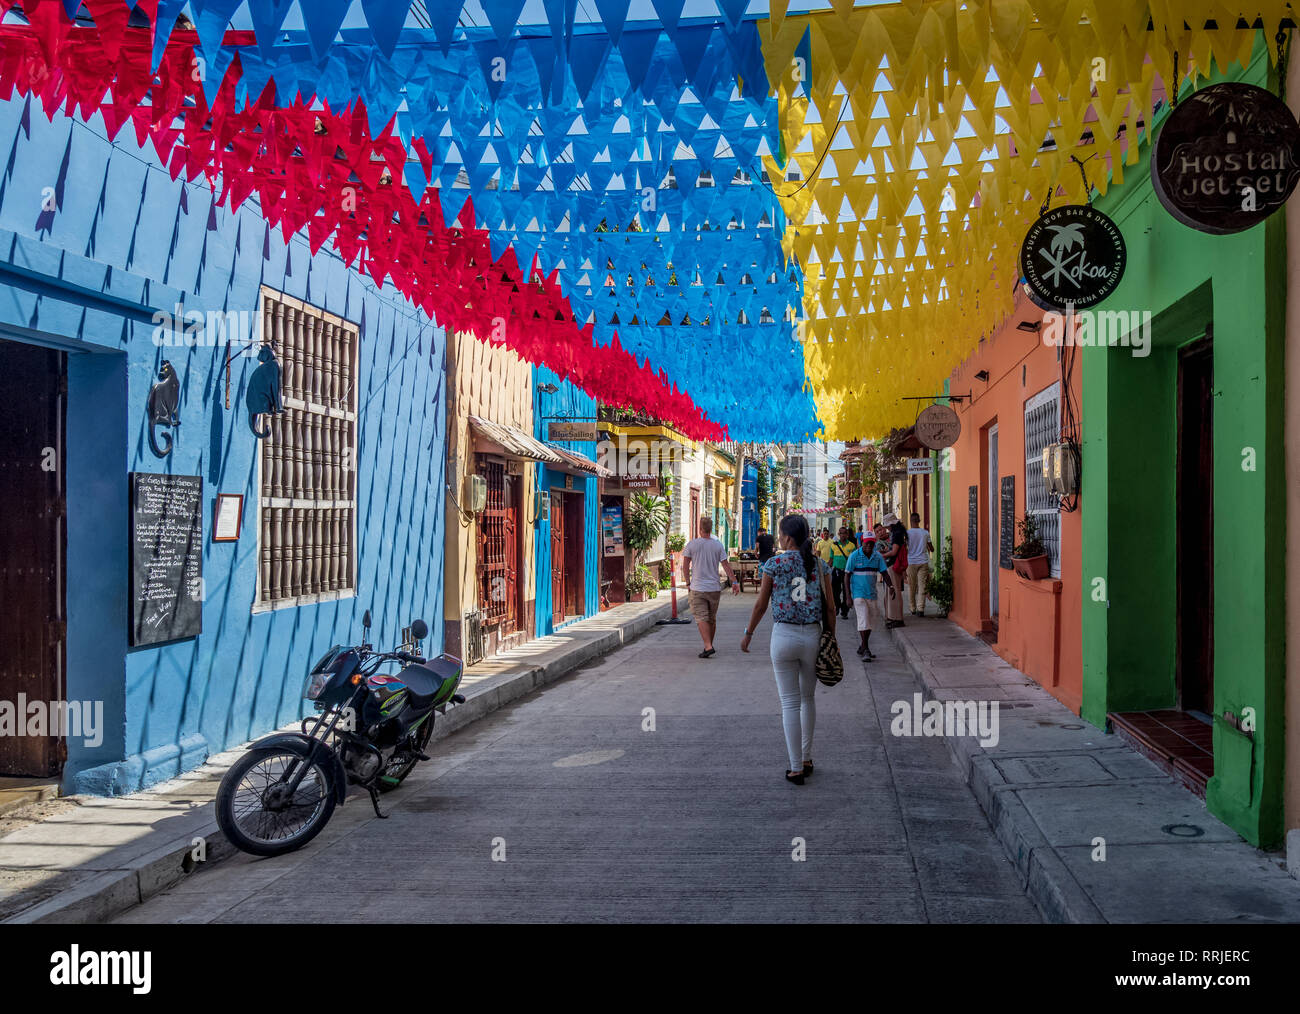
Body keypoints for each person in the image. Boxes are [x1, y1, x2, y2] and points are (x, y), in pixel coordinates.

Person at [740, 514, 835, 785]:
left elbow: (761, 605)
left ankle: (795, 768)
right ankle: (806, 757)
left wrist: (748, 634)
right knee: (808, 699)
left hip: (783, 636)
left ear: (788, 537)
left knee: (790, 703)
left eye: (781, 534)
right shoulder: (819, 564)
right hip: (813, 636)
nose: (779, 538)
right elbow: (830, 608)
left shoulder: (774, 563)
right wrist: (832, 639)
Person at [682, 517, 740, 658]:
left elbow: (685, 565)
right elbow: (726, 565)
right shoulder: (718, 545)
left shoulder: (692, 545)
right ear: (711, 528)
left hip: (697, 588)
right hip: (714, 588)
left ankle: (708, 646)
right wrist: (734, 582)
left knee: (701, 617)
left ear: (700, 528)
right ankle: (709, 646)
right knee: (711, 618)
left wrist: (688, 582)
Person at [846, 533, 890, 659]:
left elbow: (884, 573)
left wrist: (891, 587)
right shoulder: (854, 556)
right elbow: (847, 575)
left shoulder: (877, 557)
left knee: (870, 621)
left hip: (872, 593)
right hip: (858, 593)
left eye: (872, 543)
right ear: (861, 542)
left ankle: (863, 646)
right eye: (867, 543)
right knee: (863, 619)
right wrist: (848, 595)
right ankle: (866, 649)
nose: (869, 546)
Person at [881, 513, 908, 628]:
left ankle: (897, 618)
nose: (886, 528)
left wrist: (883, 555)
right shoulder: (897, 533)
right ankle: (893, 617)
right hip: (893, 565)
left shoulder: (896, 535)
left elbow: (894, 552)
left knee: (894, 592)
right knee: (892, 591)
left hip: (894, 565)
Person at [905, 512, 935, 617]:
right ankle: (920, 608)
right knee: (923, 585)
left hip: (911, 562)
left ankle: (912, 608)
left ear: (910, 521)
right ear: (919, 520)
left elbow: (904, 548)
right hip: (923, 561)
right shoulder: (925, 533)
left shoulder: (907, 534)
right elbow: (932, 549)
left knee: (912, 586)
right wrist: (926, 546)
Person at [827, 526, 855, 619]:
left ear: (847, 534)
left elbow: (854, 560)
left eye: (844, 533)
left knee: (847, 592)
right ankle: (837, 606)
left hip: (847, 572)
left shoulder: (851, 546)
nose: (843, 535)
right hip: (836, 571)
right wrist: (826, 569)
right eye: (841, 533)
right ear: (839, 534)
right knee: (835, 591)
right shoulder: (834, 545)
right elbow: (831, 559)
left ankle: (844, 611)